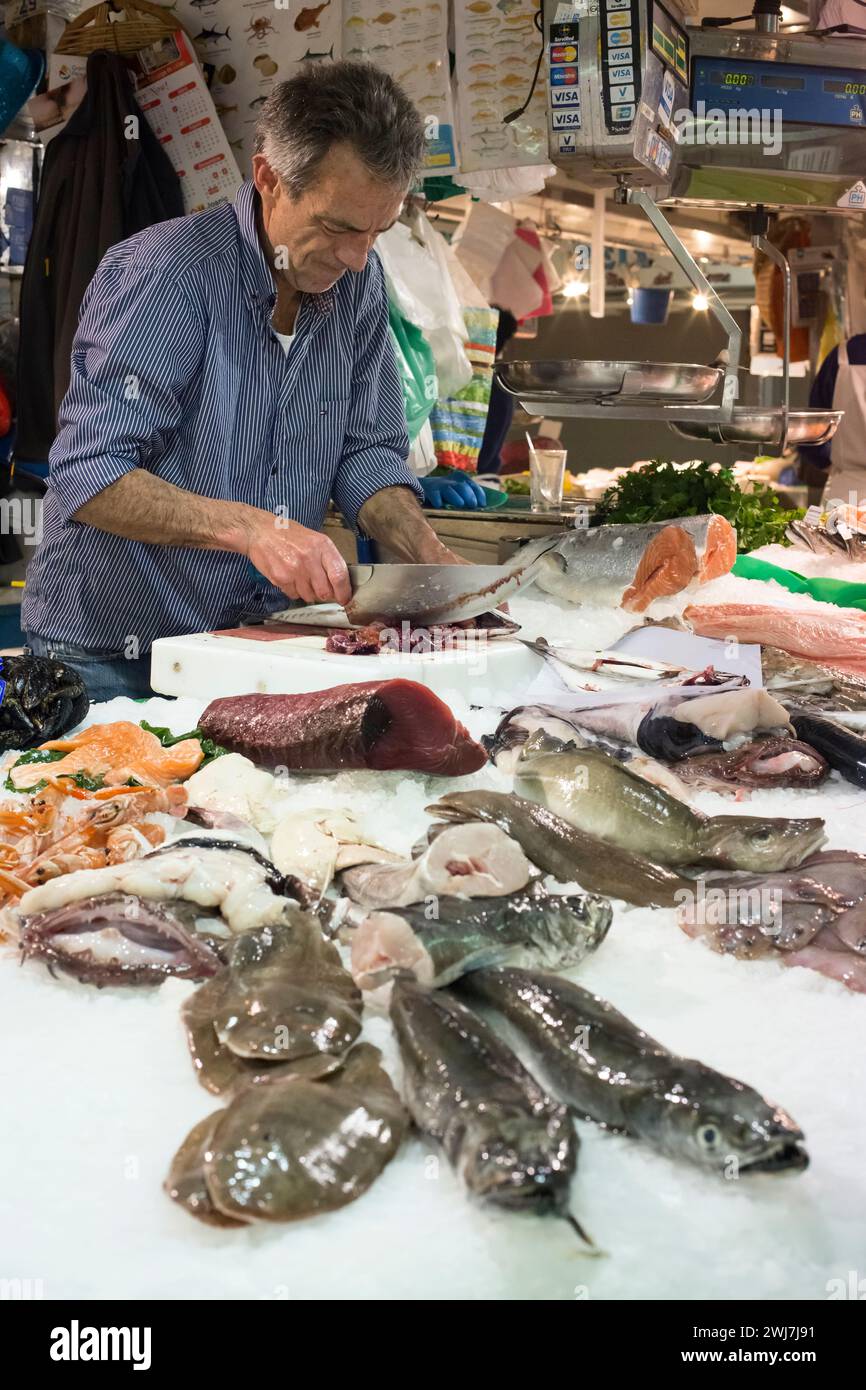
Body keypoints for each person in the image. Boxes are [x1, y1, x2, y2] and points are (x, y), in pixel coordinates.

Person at [22, 62, 464, 700]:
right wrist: (256, 530)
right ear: (268, 180)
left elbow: (367, 453)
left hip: (253, 646)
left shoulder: (359, 283)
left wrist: (425, 552)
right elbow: (89, 477)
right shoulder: (167, 275)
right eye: (338, 226)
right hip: (114, 659)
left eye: (378, 232)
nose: (357, 256)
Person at [798, 331, 866, 505]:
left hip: (847, 495)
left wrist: (838, 465)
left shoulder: (842, 355)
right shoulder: (841, 356)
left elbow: (810, 434)